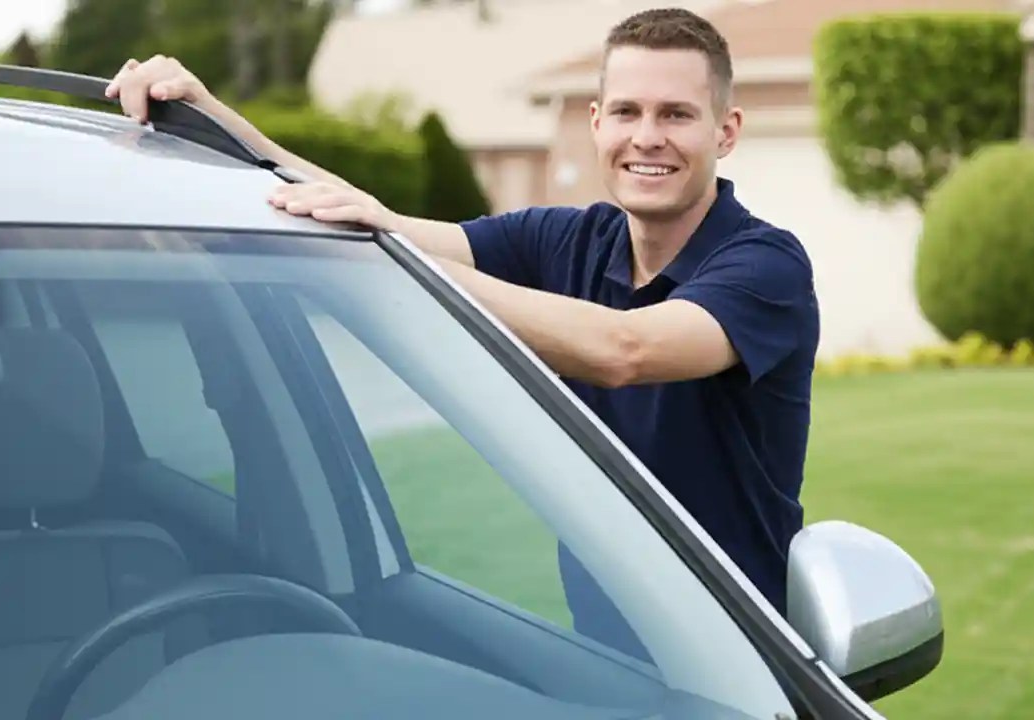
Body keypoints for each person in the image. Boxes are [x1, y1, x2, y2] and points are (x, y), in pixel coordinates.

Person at [106, 7, 819, 658]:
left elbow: (623, 349)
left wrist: (409, 256)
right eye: (628, 111)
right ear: (597, 122)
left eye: (676, 114)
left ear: (725, 131)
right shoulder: (568, 239)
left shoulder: (765, 266)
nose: (646, 137)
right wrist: (212, 118)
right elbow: (365, 217)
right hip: (612, 662)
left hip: (748, 670)